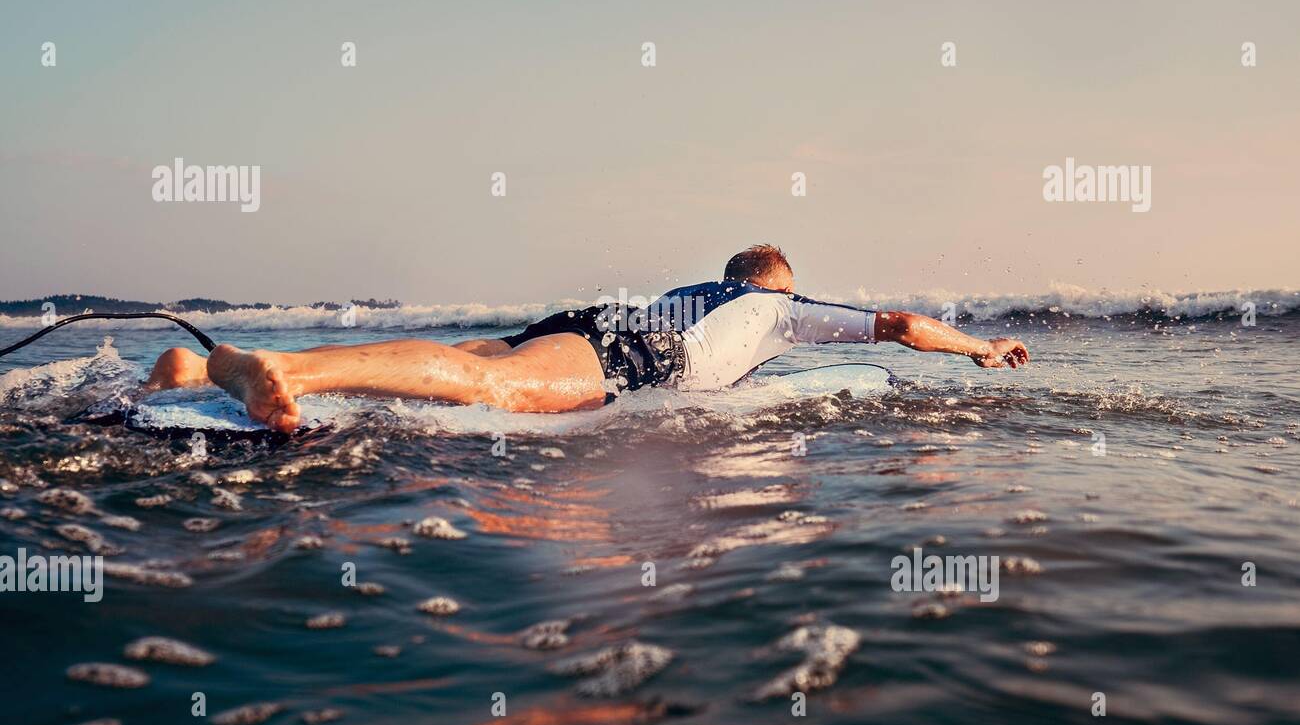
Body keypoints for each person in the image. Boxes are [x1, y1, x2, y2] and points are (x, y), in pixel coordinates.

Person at [143, 244, 1029, 431]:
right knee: (489, 388)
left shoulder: (701, 289)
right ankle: (277, 364)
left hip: (598, 321)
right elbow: (904, 326)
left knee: (479, 365)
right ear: (781, 285)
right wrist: (981, 351)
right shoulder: (774, 306)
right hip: (637, 355)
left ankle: (187, 369)